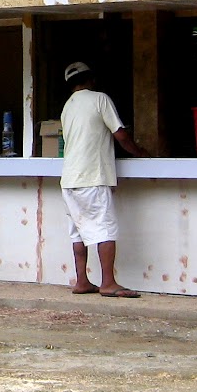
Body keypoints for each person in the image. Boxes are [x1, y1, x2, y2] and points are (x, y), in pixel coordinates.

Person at [59, 60, 148, 298]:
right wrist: (141, 153)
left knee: (78, 231)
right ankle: (108, 283)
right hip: (92, 176)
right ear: (91, 79)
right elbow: (120, 135)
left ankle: (82, 281)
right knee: (104, 228)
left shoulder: (68, 106)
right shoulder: (100, 99)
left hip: (69, 179)